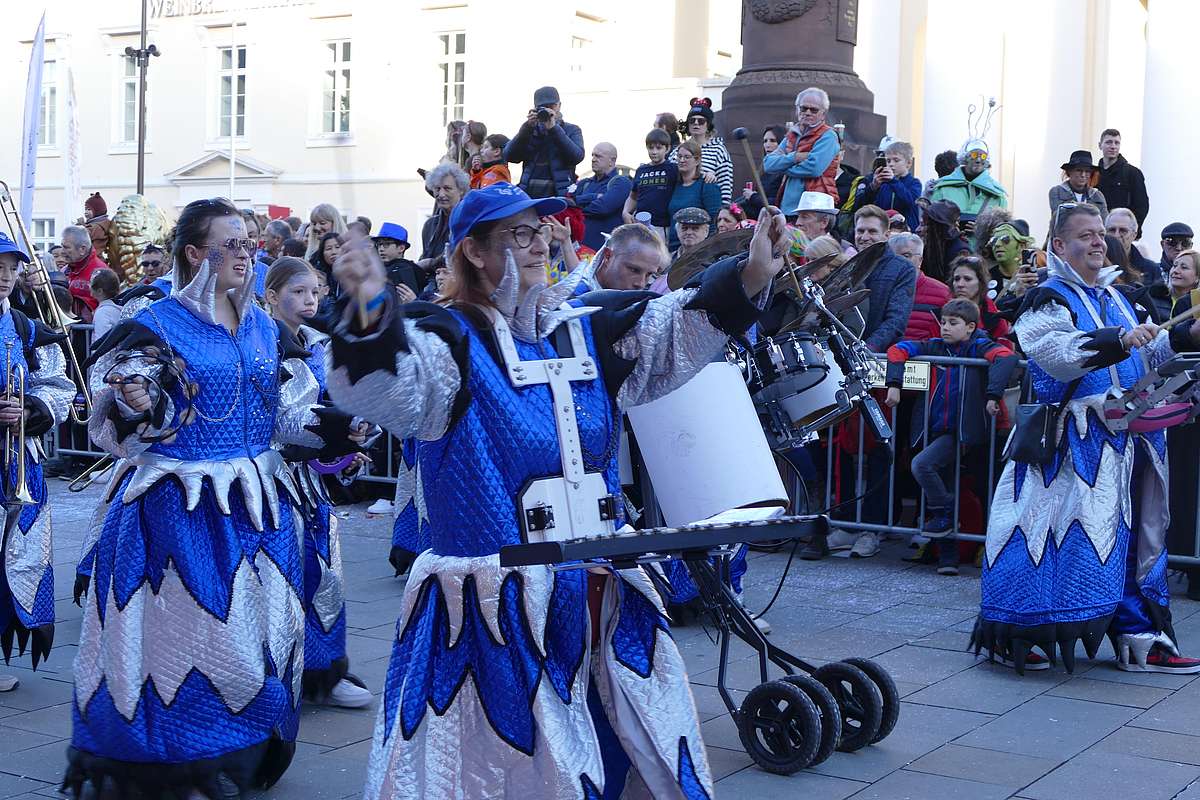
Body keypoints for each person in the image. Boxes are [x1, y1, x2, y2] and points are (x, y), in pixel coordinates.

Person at [324, 180, 785, 799]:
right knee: (509, 765)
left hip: (600, 591)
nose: (539, 243)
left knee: (627, 748)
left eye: (540, 231)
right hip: (490, 608)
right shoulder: (445, 342)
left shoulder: (585, 330)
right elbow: (388, 391)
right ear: (475, 253)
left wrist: (751, 272)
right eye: (518, 234)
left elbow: (673, 329)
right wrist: (367, 315)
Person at [67, 198, 363, 797]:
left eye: (250, 242)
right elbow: (120, 415)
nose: (245, 253)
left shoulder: (260, 325)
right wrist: (133, 400)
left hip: (258, 509)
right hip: (179, 512)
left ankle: (235, 756)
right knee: (192, 642)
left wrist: (334, 426)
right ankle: (183, 765)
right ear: (195, 254)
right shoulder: (159, 324)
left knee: (260, 641)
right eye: (231, 244)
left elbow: (280, 413)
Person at [972, 202, 1200, 675]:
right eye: (1085, 235)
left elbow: (1148, 352)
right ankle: (1019, 633)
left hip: (1128, 441)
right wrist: (1119, 338)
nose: (1098, 241)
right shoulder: (1047, 298)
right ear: (1059, 245)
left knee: (1138, 539)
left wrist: (1185, 335)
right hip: (1067, 447)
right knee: (1041, 537)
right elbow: (1054, 354)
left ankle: (1140, 635)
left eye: (1100, 233)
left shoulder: (1117, 296)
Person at [262, 256, 374, 710]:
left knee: (324, 572)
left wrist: (357, 433)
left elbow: (348, 400)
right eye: (297, 292)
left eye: (315, 293)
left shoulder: (325, 345)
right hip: (267, 479)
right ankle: (270, 676)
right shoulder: (254, 343)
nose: (309, 302)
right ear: (270, 296)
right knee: (275, 575)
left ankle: (325, 671)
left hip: (310, 482)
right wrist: (327, 429)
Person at [886, 298, 1017, 574]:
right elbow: (898, 349)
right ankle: (948, 557)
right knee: (944, 483)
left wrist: (993, 394)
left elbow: (1005, 357)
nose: (944, 327)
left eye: (952, 323)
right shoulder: (936, 345)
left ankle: (945, 514)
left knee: (923, 466)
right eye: (943, 322)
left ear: (970, 327)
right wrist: (894, 384)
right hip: (937, 427)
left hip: (964, 432)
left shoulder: (979, 345)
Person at [0, 232, 74, 693]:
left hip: (17, 462)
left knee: (15, 559)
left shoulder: (27, 328)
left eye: (10, 267)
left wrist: (30, 410)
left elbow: (60, 386)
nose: (4, 276)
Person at [763, 87, 841, 211]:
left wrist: (783, 166)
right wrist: (795, 157)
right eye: (803, 108)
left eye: (814, 110)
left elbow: (814, 169)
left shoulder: (828, 136)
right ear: (797, 109)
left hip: (814, 208)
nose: (808, 112)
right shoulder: (792, 135)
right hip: (787, 208)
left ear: (823, 114)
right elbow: (768, 164)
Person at [503, 85, 585, 199]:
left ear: (559, 106)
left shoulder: (571, 130)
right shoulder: (530, 130)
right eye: (543, 107)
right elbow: (510, 156)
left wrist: (554, 128)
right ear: (535, 108)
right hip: (529, 198)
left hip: (559, 198)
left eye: (552, 106)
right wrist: (526, 128)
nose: (548, 110)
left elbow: (577, 157)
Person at [854, 205, 917, 352]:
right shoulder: (847, 267)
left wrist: (868, 349)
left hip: (880, 357)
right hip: (846, 355)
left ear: (886, 235)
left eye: (872, 231)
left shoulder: (903, 269)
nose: (864, 237)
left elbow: (896, 320)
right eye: (860, 231)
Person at [670, 97, 734, 205]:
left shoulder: (719, 150)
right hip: (679, 203)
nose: (696, 123)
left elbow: (725, 186)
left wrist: (723, 212)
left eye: (701, 121)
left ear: (707, 124)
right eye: (692, 120)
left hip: (707, 206)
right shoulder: (677, 151)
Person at [574, 142, 634, 251]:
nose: (593, 159)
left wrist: (578, 206)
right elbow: (569, 204)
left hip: (605, 254)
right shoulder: (584, 183)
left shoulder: (621, 182)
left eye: (598, 156)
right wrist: (594, 197)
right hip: (578, 251)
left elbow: (603, 208)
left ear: (612, 160)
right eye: (592, 155)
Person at [890, 232, 949, 341]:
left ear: (920, 260)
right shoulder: (879, 291)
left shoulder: (943, 294)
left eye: (906, 256)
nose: (898, 261)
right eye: (893, 256)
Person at [577, 222, 668, 292]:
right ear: (608, 256)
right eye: (634, 270)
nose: (641, 284)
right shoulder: (570, 300)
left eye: (649, 274)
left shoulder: (644, 307)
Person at [930, 139, 1008, 220]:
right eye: (974, 155)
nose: (978, 160)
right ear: (965, 157)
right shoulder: (943, 188)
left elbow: (1001, 227)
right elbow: (932, 222)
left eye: (983, 156)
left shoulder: (997, 195)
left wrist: (982, 228)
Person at [854, 140, 921, 232]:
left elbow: (910, 201)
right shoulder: (881, 183)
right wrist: (873, 187)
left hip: (906, 233)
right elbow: (861, 206)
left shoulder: (914, 183)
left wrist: (893, 181)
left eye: (896, 160)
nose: (891, 164)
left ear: (909, 163)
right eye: (888, 160)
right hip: (882, 231)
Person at [666, 140, 721, 248]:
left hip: (697, 250)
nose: (682, 160)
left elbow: (715, 220)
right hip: (674, 247)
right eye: (679, 156)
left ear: (697, 160)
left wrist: (708, 249)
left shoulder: (707, 184)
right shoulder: (674, 185)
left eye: (687, 157)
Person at [622, 128, 678, 234]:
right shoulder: (641, 170)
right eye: (651, 148)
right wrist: (625, 212)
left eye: (658, 148)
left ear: (667, 148)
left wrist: (709, 174)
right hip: (639, 224)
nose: (654, 152)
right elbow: (633, 196)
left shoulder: (673, 169)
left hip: (662, 226)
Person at [950, 254, 1013, 343]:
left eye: (967, 279)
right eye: (956, 279)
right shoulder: (942, 312)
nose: (960, 284)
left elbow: (1004, 352)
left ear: (981, 282)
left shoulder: (996, 320)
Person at [418, 162, 469, 271]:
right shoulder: (430, 225)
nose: (441, 194)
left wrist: (431, 263)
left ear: (461, 190)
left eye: (447, 188)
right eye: (437, 189)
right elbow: (425, 256)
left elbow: (462, 255)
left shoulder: (470, 220)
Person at [1096, 129, 1149, 233]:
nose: (1113, 146)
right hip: (1098, 233)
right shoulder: (1094, 174)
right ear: (1100, 145)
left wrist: (1132, 231)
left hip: (1123, 233)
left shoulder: (1132, 173)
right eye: (1108, 142)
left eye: (1117, 143)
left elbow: (1142, 206)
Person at [59, 225, 106, 323]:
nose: (62, 252)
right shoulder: (64, 271)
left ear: (82, 249)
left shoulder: (101, 273)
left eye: (66, 247)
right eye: (62, 246)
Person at [918, 199, 970, 284]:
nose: (918, 229)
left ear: (938, 228)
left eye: (924, 225)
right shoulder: (930, 247)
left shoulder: (959, 252)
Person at [1049, 150, 1109, 219]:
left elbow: (1105, 223)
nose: (1083, 175)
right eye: (1079, 170)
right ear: (1069, 171)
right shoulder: (1057, 192)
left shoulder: (1097, 195)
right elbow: (1061, 218)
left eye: (1087, 171)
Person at [374, 222, 422, 302]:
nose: (381, 249)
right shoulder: (379, 268)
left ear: (401, 248)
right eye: (379, 244)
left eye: (386, 244)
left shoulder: (405, 270)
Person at [1106, 208, 1158, 280]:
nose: (1116, 235)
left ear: (1134, 235)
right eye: (1112, 230)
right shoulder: (1094, 265)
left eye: (1123, 230)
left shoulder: (1151, 270)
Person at [252, 219, 293, 297]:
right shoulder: (260, 258)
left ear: (277, 239)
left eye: (265, 236)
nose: (262, 240)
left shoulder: (290, 265)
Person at [1155, 222, 1193, 288]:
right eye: (1172, 242)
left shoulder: (1197, 275)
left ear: (1191, 246)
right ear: (1162, 244)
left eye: (1185, 243)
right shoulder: (1151, 273)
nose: (1179, 248)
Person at [88, 268, 122, 341]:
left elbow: (101, 342)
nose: (88, 286)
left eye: (91, 283)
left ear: (100, 291)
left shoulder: (103, 313)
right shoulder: (120, 306)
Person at [311, 231, 343, 298]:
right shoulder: (317, 276)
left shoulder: (352, 274)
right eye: (329, 249)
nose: (333, 252)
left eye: (337, 247)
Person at [82, 192, 111, 258]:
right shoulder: (99, 224)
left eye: (89, 209)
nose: (86, 212)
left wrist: (81, 226)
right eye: (85, 209)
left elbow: (84, 237)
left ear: (97, 210)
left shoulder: (98, 226)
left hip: (93, 257)